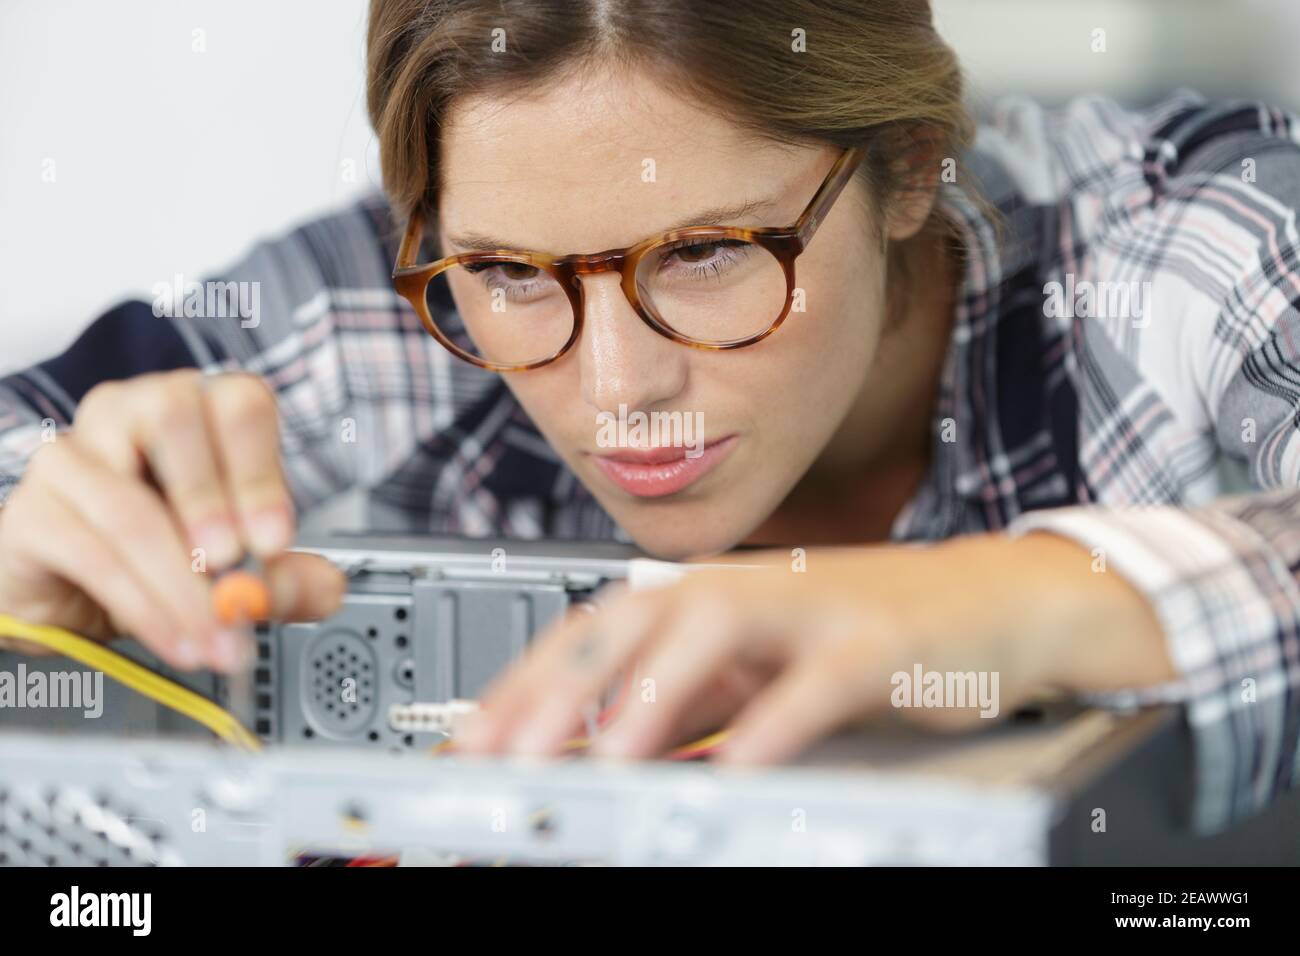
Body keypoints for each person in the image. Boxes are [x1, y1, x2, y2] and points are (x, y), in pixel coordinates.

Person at [1, 0, 1297, 833]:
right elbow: (39, 448)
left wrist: (1006, 599)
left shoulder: (1193, 245)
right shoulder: (389, 296)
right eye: (509, 274)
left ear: (910, 167)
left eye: (704, 255)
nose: (619, 395)